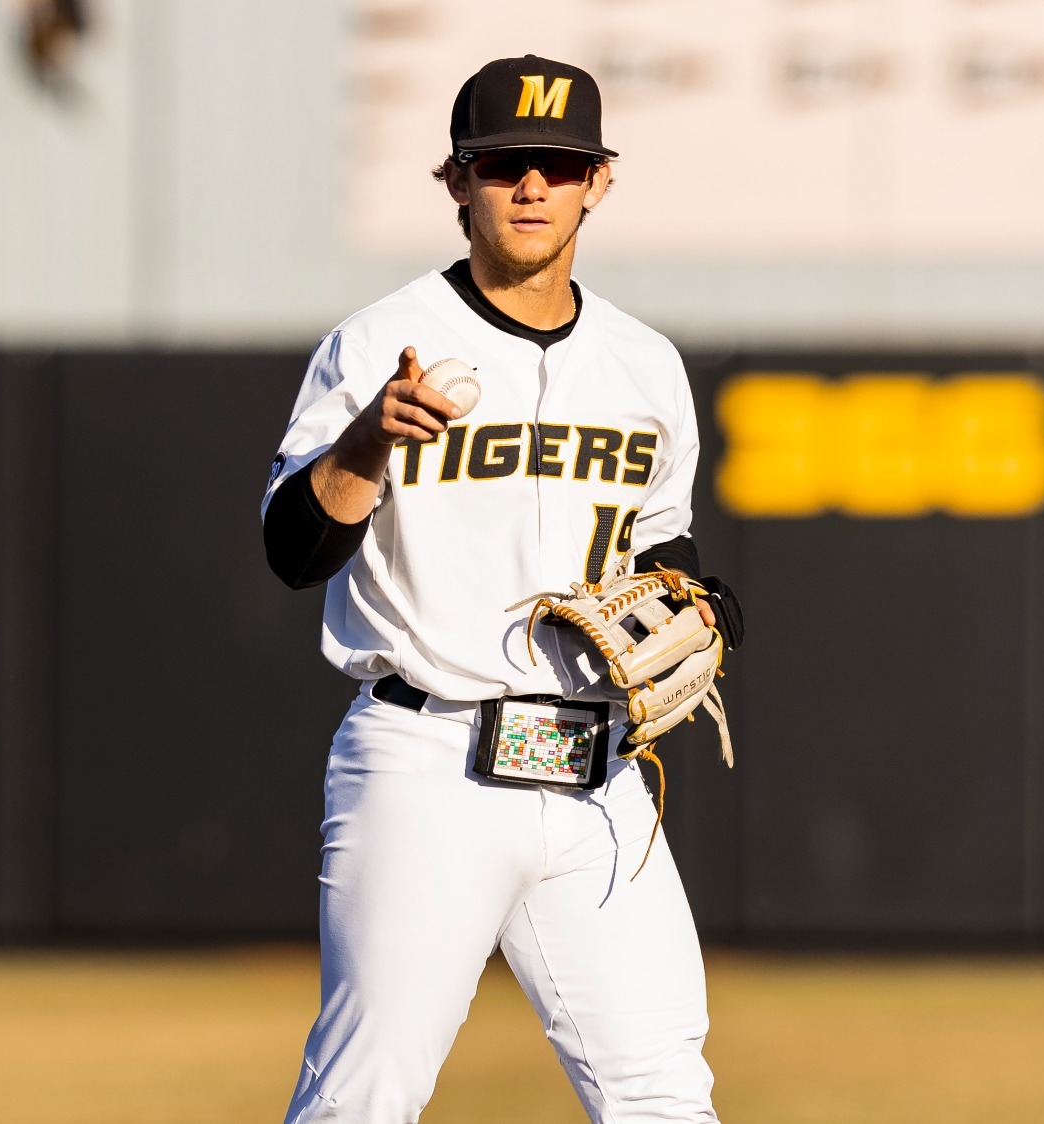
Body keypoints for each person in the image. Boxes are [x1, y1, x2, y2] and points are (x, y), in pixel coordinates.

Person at [261, 55, 741, 1124]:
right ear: (456, 180)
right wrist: (365, 439)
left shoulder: (642, 364)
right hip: (426, 757)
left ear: (598, 182)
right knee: (364, 1095)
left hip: (593, 767)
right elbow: (294, 549)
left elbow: (660, 545)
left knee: (663, 1091)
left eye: (558, 165)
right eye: (505, 164)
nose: (533, 187)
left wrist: (697, 601)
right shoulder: (376, 344)